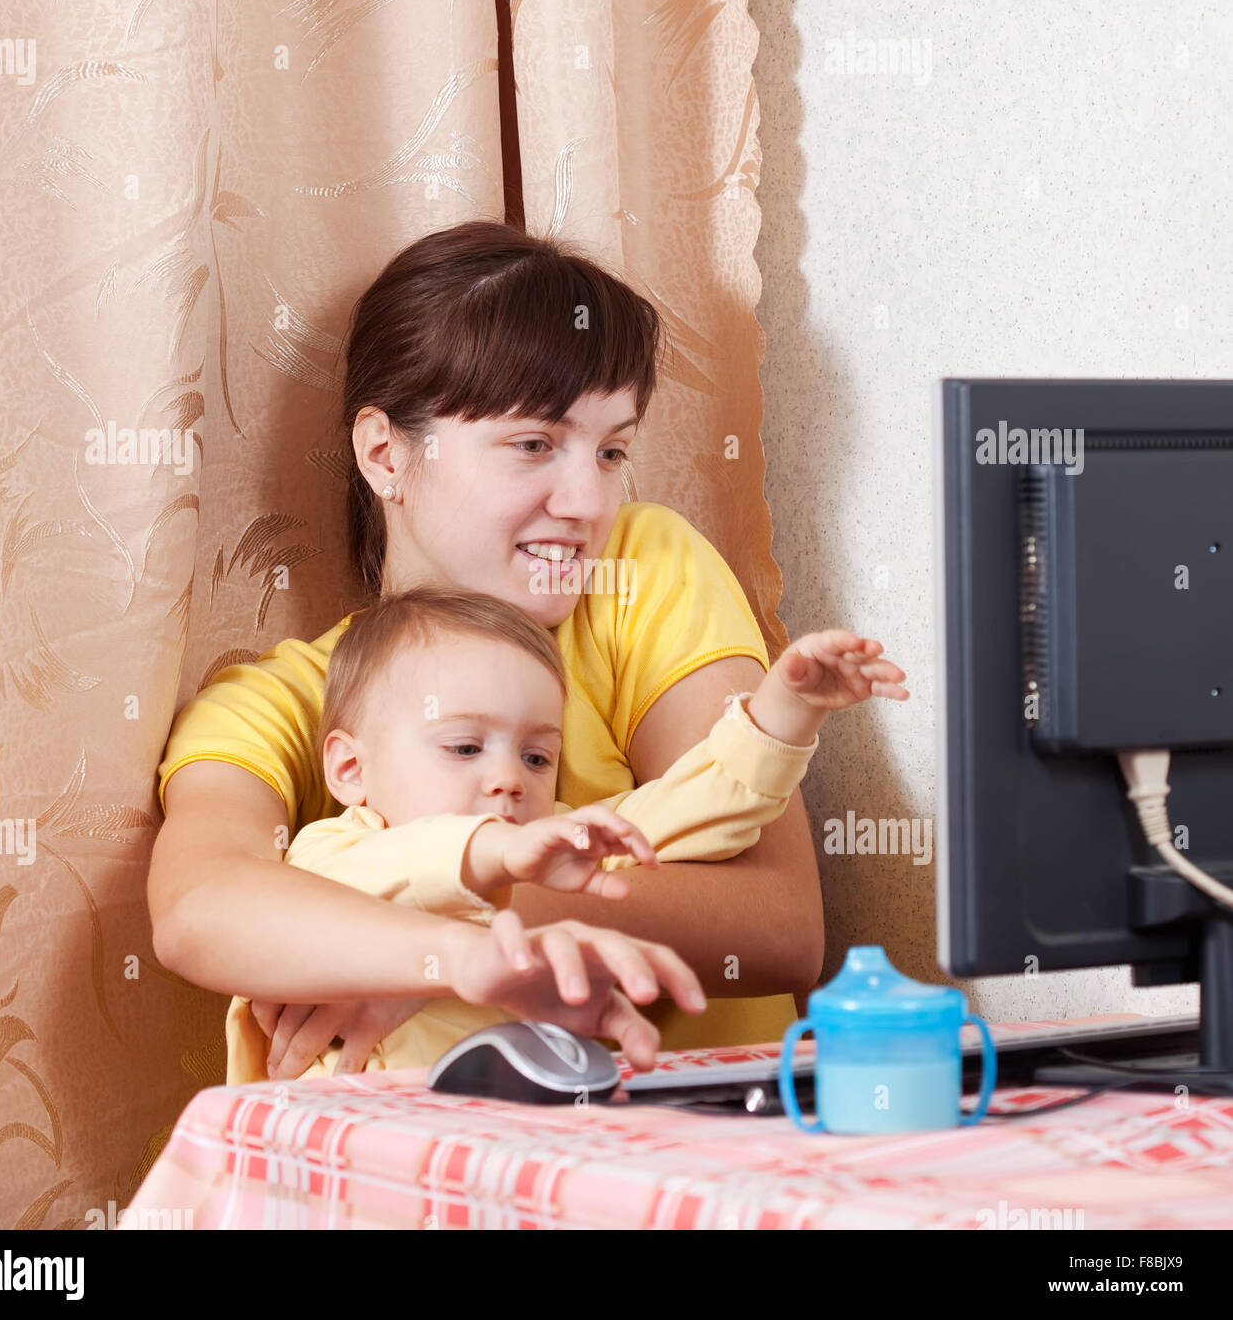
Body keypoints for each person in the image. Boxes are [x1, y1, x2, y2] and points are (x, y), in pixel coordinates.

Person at [149, 220, 860, 1080]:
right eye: (534, 444)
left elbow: (781, 928)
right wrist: (449, 959)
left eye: (612, 450)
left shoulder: (636, 570)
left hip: (714, 1143)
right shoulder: (289, 698)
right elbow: (199, 907)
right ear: (385, 454)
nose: (587, 500)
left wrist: (382, 941)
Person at [223, 587, 904, 1081]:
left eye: (536, 756)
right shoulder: (324, 855)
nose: (508, 780)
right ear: (349, 769)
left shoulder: (546, 840)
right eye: (464, 748)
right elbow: (383, 883)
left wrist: (783, 714)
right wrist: (492, 853)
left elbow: (688, 811)